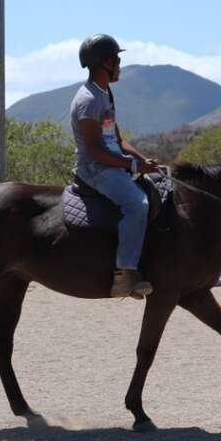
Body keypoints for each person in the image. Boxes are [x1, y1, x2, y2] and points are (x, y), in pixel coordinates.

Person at [70, 33, 159, 298]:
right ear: (106, 62)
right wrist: (132, 166)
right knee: (137, 204)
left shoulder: (104, 94)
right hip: (95, 169)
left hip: (112, 163)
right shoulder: (88, 100)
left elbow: (116, 140)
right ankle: (124, 273)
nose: (120, 65)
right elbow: (96, 151)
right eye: (117, 59)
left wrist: (143, 161)